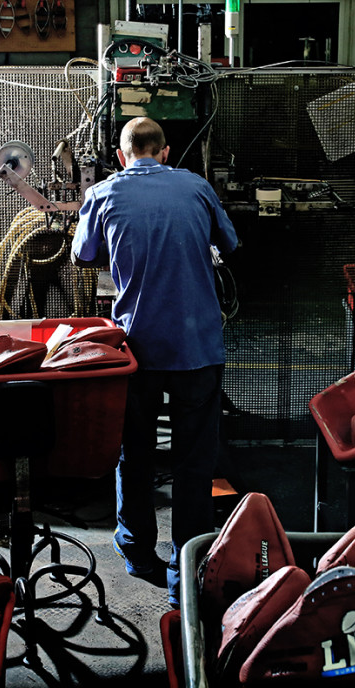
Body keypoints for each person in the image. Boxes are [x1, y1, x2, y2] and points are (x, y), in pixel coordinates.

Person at [71, 116, 238, 608]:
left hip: (137, 351)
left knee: (135, 452)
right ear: (165, 152)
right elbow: (229, 244)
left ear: (121, 156)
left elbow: (82, 255)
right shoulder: (197, 187)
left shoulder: (103, 194)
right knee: (194, 461)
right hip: (196, 349)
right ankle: (189, 566)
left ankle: (138, 552)